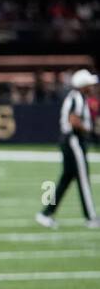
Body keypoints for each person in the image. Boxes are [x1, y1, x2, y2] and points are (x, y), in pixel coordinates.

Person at [36, 69, 97, 228]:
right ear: (83, 85)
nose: (92, 86)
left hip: (71, 141)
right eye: (89, 84)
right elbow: (73, 120)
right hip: (73, 140)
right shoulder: (77, 98)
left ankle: (45, 213)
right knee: (83, 178)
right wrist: (89, 130)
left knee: (66, 179)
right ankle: (91, 217)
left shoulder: (78, 97)